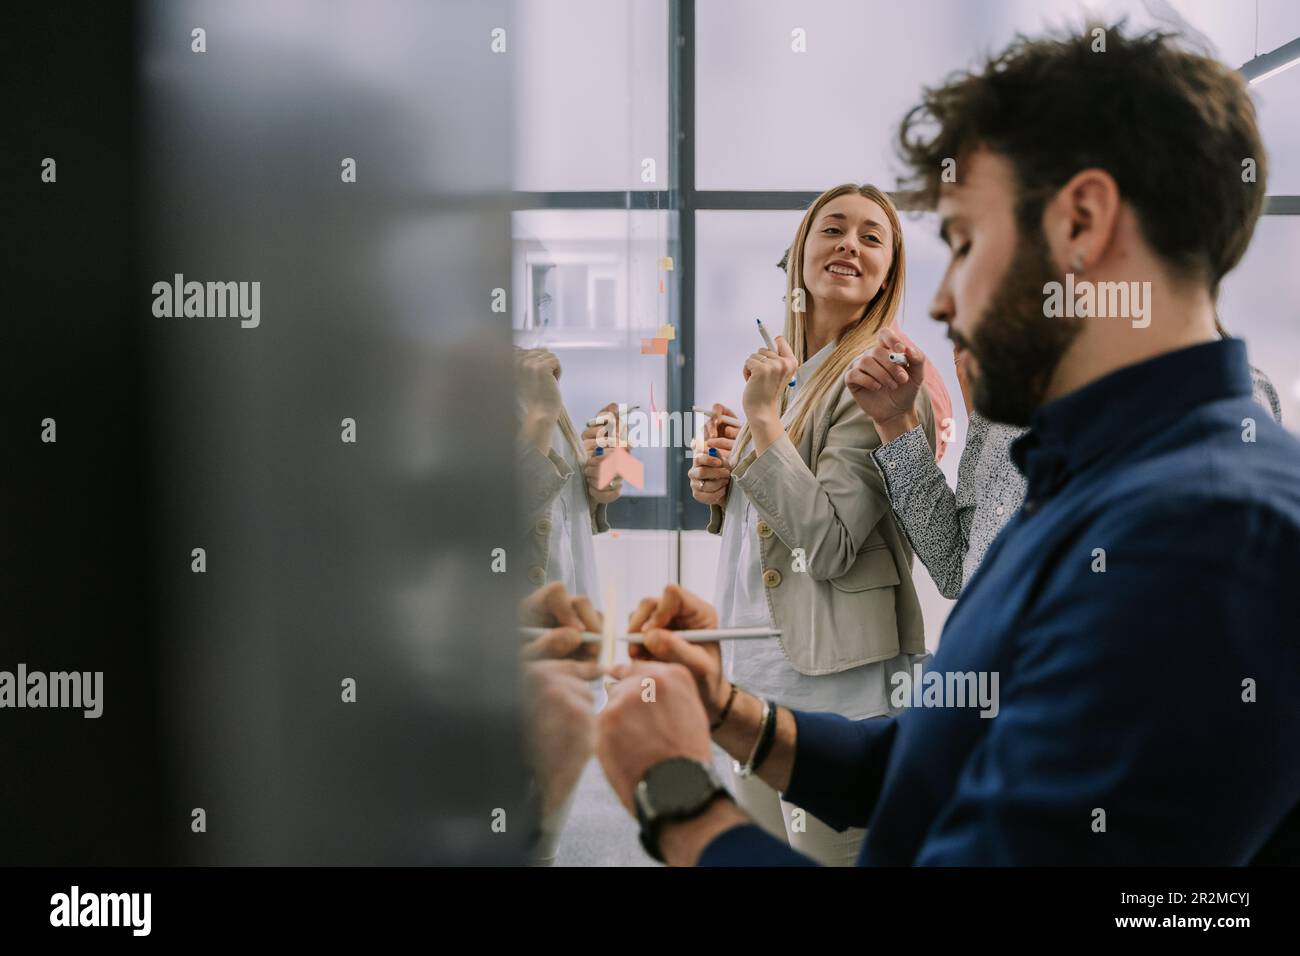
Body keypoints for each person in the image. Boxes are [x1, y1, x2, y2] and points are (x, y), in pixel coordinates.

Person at [595, 23, 1300, 866]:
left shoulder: (1203, 533)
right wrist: (732, 711)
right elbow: (935, 756)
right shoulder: (1085, 474)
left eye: (963, 241)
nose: (938, 302)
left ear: (1082, 221)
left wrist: (674, 795)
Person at [687, 184, 936, 865]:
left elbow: (825, 544)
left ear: (888, 273)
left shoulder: (874, 380)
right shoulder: (792, 377)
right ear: (801, 253)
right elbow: (777, 516)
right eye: (832, 229)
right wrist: (724, 488)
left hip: (835, 692)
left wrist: (762, 421)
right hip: (757, 670)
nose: (849, 244)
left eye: (871, 237)